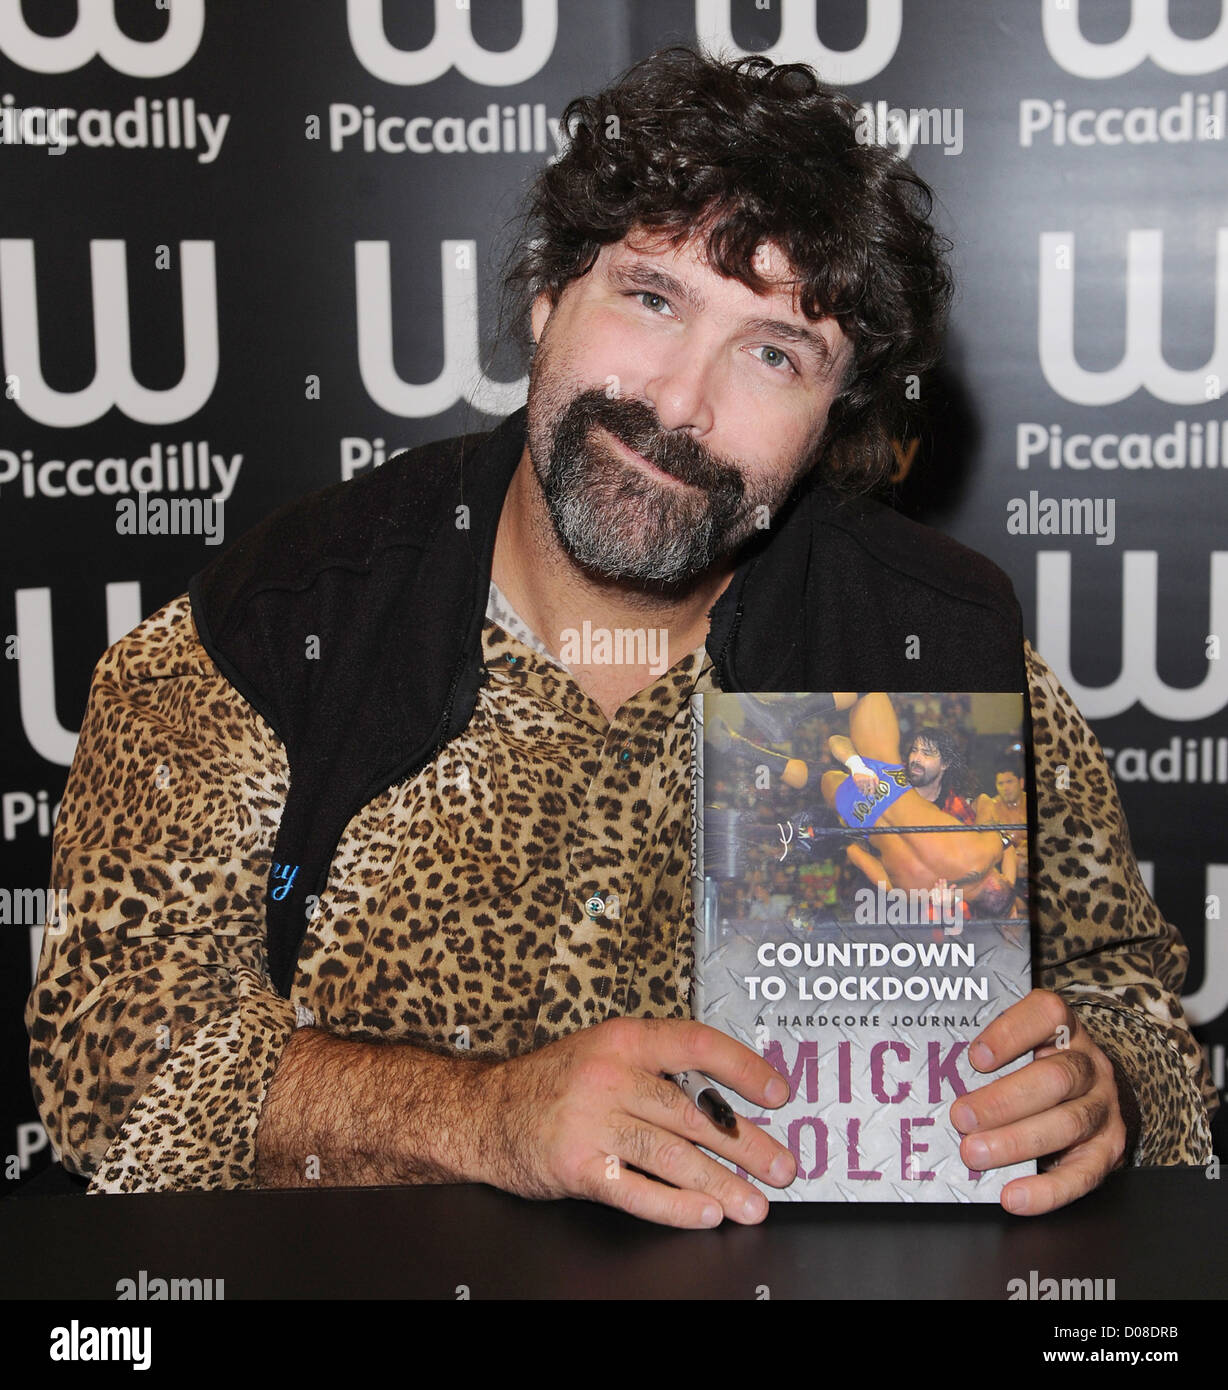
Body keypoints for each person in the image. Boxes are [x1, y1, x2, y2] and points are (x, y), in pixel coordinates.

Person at [27, 47, 1215, 1224]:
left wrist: (1100, 1091)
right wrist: (485, 1117)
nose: (680, 404)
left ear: (826, 428)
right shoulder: (279, 625)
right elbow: (108, 1065)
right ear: (547, 296)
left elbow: (1133, 1008)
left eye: (772, 354)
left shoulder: (933, 647)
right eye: (652, 298)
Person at [823, 694, 1019, 919]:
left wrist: (1003, 858)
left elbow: (985, 803)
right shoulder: (919, 894)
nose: (917, 758)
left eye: (927, 754)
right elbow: (856, 854)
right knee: (821, 772)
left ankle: (800, 713)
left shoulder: (978, 838)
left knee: (867, 697)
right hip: (862, 807)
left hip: (880, 798)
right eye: (916, 750)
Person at [906, 726, 976, 825]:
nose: (916, 759)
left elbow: (972, 838)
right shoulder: (895, 789)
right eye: (914, 750)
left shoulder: (954, 806)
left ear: (945, 764)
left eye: (926, 753)